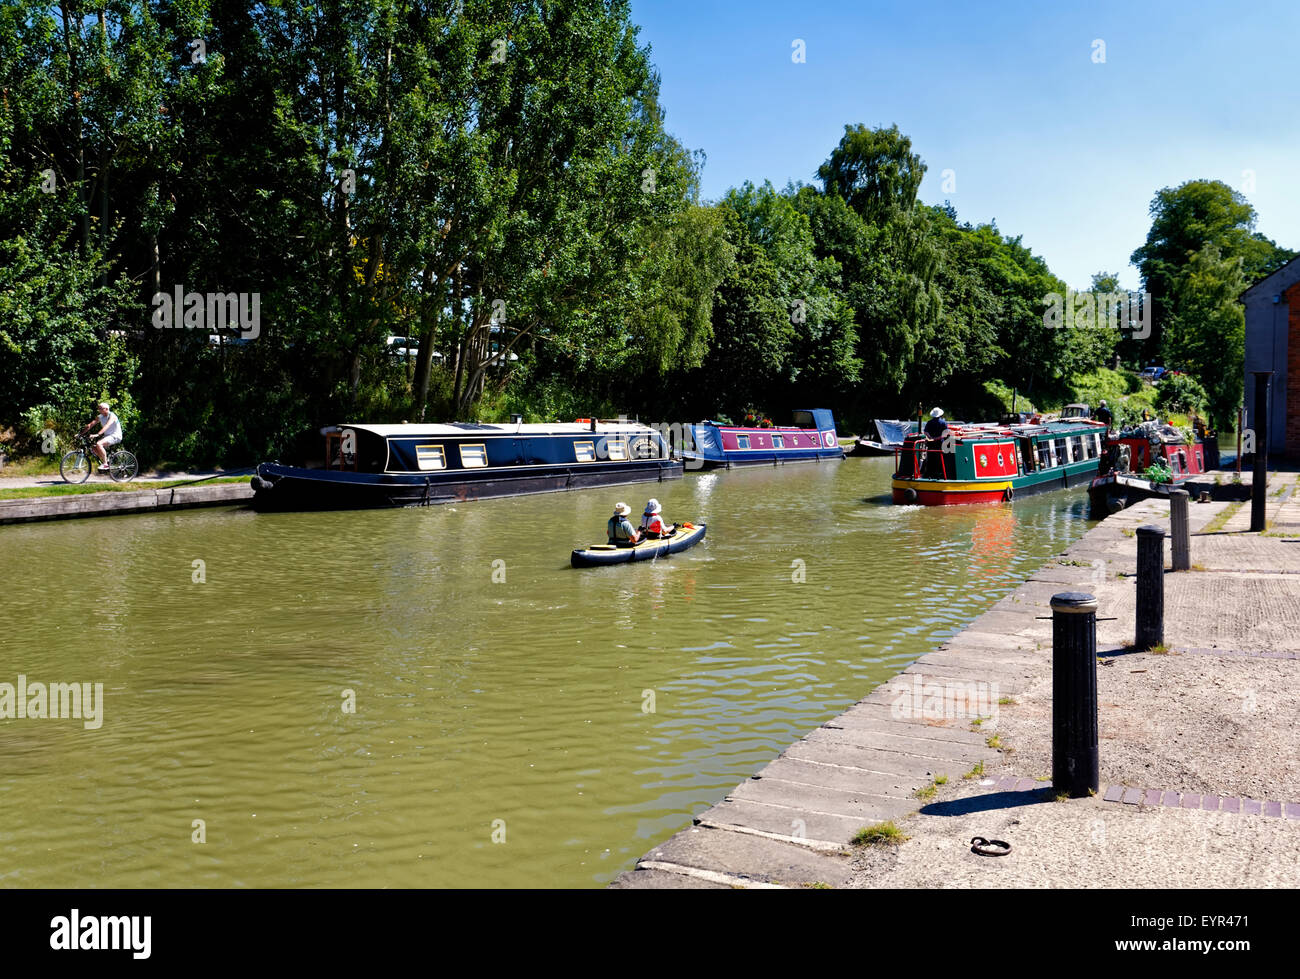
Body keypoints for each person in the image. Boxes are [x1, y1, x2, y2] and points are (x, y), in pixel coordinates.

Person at [81, 402, 122, 472]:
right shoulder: (100, 416)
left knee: (99, 444)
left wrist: (98, 434)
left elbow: (107, 425)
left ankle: (105, 464)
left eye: (101, 408)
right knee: (93, 447)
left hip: (116, 436)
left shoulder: (112, 416)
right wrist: (80, 434)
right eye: (98, 408)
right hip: (107, 436)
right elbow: (90, 425)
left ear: (106, 409)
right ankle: (106, 460)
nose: (99, 410)